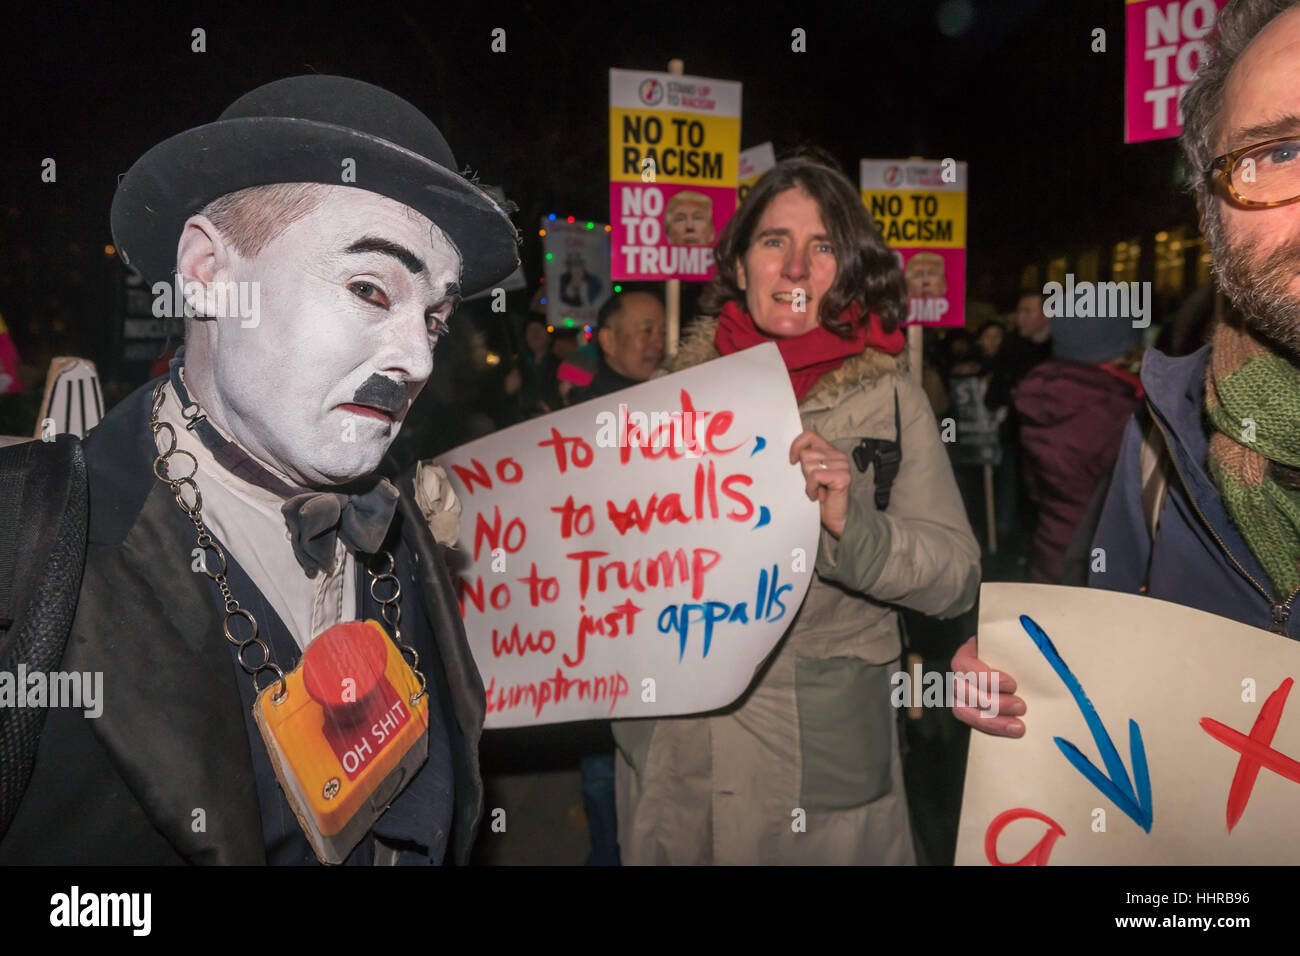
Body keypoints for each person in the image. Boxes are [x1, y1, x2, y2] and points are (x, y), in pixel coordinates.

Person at [0, 75, 520, 863]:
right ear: (208, 271)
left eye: (436, 318)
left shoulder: (404, 526)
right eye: (371, 289)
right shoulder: (27, 543)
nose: (416, 359)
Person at [612, 155, 981, 864]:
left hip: (815, 762)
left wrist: (854, 529)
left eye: (822, 248)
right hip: (677, 750)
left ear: (848, 270)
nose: (796, 268)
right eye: (774, 242)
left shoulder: (892, 400)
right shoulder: (669, 395)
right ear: (740, 263)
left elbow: (957, 577)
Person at [956, 0, 1300, 737]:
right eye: (1280, 152)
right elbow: (1109, 659)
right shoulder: (1157, 437)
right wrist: (1029, 669)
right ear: (1212, 214)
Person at [567, 289, 666, 403]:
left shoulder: (673, 401)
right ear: (608, 341)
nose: (659, 344)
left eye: (663, 332)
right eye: (646, 330)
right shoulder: (582, 411)